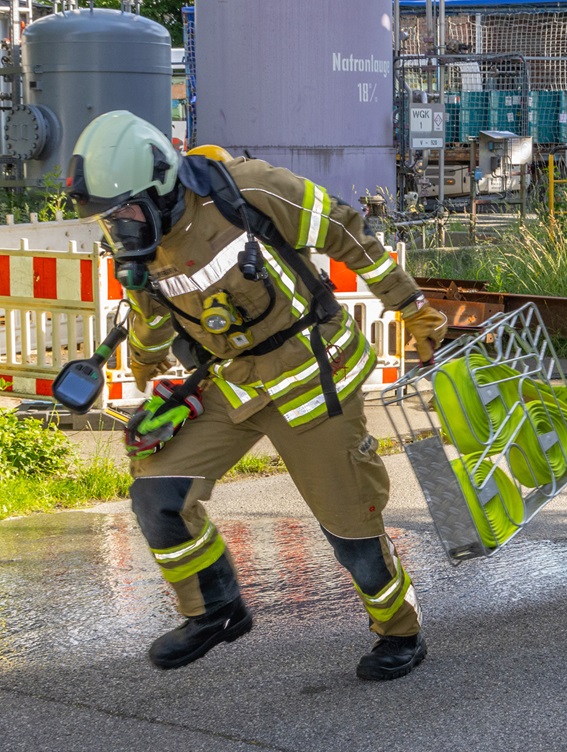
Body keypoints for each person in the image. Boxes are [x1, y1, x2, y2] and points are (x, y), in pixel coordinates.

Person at [65, 111, 448, 680]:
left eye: (124, 210)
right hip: (232, 383)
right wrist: (146, 362)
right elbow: (148, 306)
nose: (118, 226)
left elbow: (345, 228)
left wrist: (409, 305)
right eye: (107, 216)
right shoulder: (139, 239)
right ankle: (216, 609)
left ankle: (400, 632)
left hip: (312, 380)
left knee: (351, 534)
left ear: (162, 185)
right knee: (157, 496)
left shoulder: (249, 191)